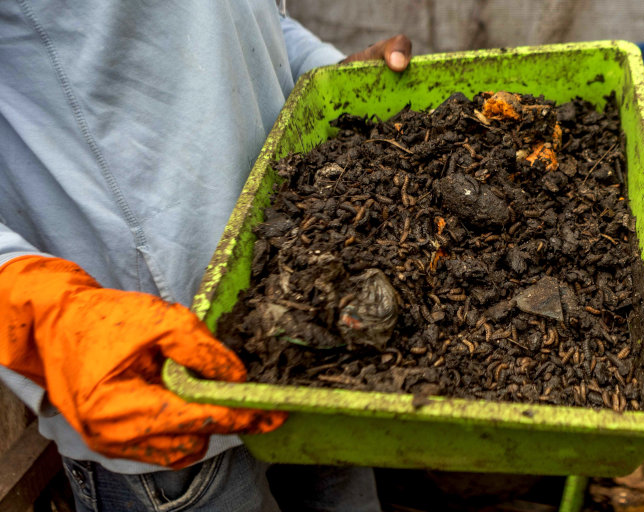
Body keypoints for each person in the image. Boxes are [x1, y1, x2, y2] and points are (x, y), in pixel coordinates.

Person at [0, 1, 411, 510]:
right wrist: (40, 311)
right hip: (163, 390)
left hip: (315, 326)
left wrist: (326, 79)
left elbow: (243, 21)